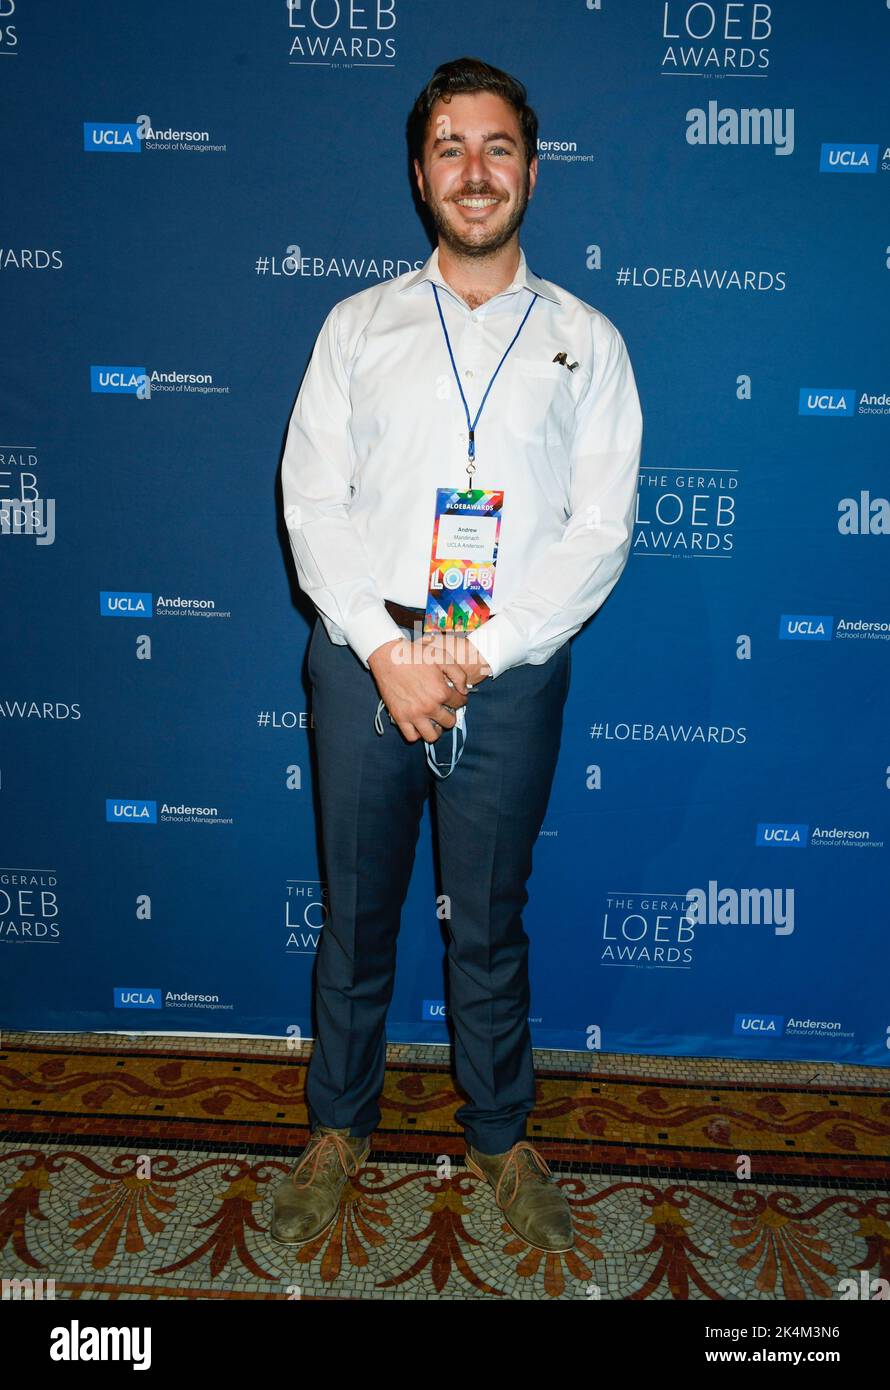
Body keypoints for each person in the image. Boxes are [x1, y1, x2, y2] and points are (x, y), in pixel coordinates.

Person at [273, 55, 643, 1255]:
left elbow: (598, 532)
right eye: (448, 149)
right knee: (355, 913)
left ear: (530, 171)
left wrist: (470, 656)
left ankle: (498, 1132)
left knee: (487, 917)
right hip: (365, 657)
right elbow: (309, 502)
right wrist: (387, 652)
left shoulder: (588, 341)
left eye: (494, 148)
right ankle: (337, 1127)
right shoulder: (355, 325)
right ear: (419, 174)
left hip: (509, 668)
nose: (472, 172)